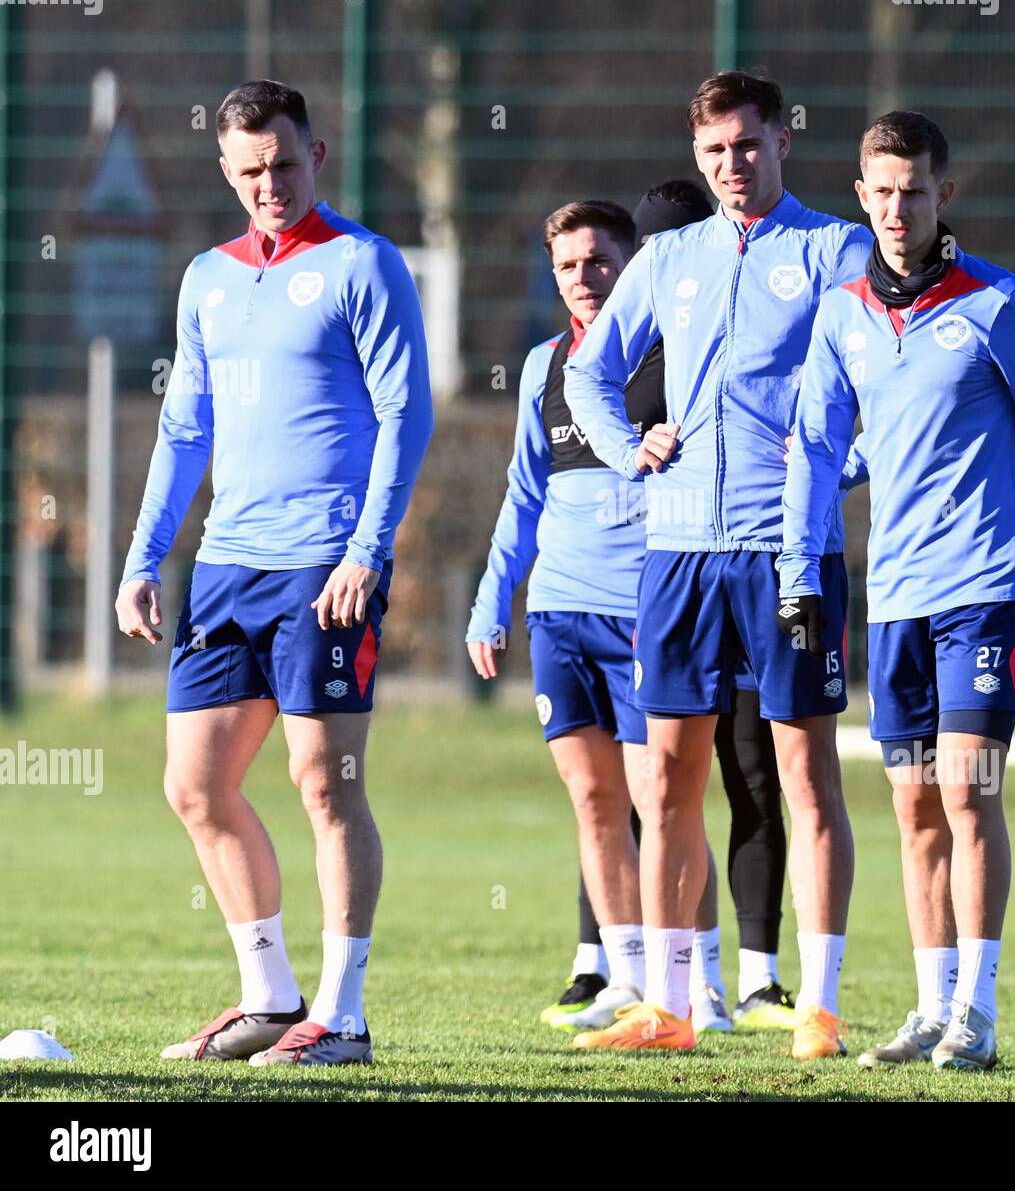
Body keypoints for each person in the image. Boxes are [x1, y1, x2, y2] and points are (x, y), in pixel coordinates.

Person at [779, 110, 1015, 1071]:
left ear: (947, 194)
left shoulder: (1002, 303)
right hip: (892, 597)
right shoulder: (843, 313)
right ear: (862, 195)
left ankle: (976, 1010)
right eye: (882, 192)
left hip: (986, 587)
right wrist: (798, 570)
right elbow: (813, 447)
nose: (898, 210)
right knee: (912, 808)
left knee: (968, 791)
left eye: (916, 191)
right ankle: (931, 1006)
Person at [115, 80, 434, 1067]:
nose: (269, 184)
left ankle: (343, 1016)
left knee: (324, 780)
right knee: (197, 785)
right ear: (226, 169)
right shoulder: (207, 277)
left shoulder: (363, 265)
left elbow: (405, 418)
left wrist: (365, 551)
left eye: (285, 164)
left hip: (324, 564)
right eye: (249, 169)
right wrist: (142, 556)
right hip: (226, 565)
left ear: (318, 154)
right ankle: (267, 996)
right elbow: (184, 429)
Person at [564, 71, 873, 1057]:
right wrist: (627, 447)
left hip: (793, 556)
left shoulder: (833, 248)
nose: (731, 167)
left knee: (803, 776)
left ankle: (816, 1006)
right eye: (712, 154)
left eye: (746, 146)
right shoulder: (667, 258)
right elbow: (586, 370)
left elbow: (886, 391)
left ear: (782, 140)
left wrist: (829, 468)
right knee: (666, 782)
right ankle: (669, 1005)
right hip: (679, 555)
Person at [466, 200, 731, 1036]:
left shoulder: (671, 357)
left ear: (633, 265)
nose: (584, 278)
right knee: (592, 799)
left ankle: (702, 982)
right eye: (568, 265)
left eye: (600, 261)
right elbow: (522, 494)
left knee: (666, 795)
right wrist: (491, 600)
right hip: (558, 611)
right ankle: (627, 975)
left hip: (645, 608)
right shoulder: (547, 367)